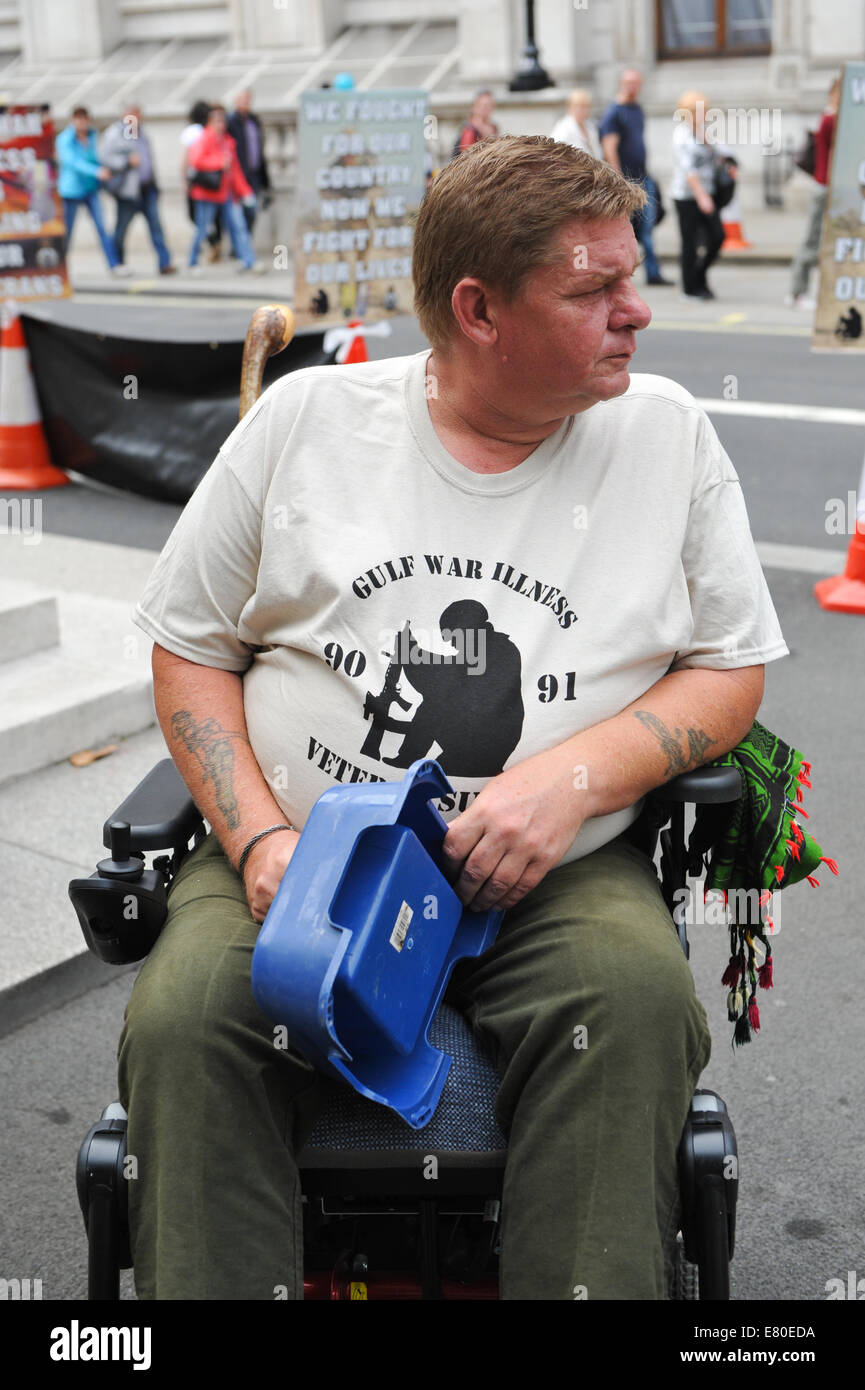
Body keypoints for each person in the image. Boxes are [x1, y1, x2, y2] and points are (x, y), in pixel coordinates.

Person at [121, 134, 787, 1301]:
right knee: (186, 1023)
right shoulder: (308, 422)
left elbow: (728, 672)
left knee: (627, 1005)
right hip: (306, 855)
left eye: (630, 278)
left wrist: (571, 782)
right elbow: (189, 649)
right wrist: (263, 840)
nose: (638, 311)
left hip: (556, 877)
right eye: (594, 291)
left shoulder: (666, 434)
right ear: (478, 309)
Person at [599, 69, 672, 286]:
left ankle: (652, 272)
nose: (633, 87)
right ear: (621, 84)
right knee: (623, 229)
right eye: (629, 83)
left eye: (636, 83)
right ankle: (618, 274)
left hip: (643, 177)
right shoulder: (614, 112)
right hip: (626, 181)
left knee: (647, 227)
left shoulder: (637, 109)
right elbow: (609, 146)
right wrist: (618, 178)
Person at [99, 105, 176, 276]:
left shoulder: (141, 133)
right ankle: (118, 264)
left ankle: (165, 263)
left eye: (138, 114)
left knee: (156, 228)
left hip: (147, 188)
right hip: (128, 191)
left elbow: (148, 158)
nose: (135, 117)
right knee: (121, 229)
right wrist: (127, 161)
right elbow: (105, 157)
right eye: (132, 114)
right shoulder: (116, 133)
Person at [186, 104, 261, 273]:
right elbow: (196, 160)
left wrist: (246, 192)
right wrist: (218, 163)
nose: (221, 124)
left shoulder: (228, 142)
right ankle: (192, 261)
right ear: (210, 122)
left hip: (227, 193)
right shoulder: (205, 138)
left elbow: (235, 171)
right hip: (207, 193)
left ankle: (248, 260)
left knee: (239, 227)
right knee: (202, 229)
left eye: (223, 121)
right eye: (217, 121)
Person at [787, 77, 840, 311]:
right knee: (812, 240)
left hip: (834, 187)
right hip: (824, 187)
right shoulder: (830, 119)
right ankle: (797, 291)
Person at [671, 90, 727, 301]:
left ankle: (700, 276)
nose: (705, 114)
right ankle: (689, 288)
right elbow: (688, 171)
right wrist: (701, 196)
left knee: (717, 237)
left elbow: (721, 153)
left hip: (708, 193)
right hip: (687, 197)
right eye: (700, 111)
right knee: (690, 242)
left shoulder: (702, 132)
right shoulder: (682, 134)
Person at [55, 106, 126, 275]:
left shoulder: (93, 135)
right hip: (71, 191)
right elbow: (73, 162)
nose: (81, 123)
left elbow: (97, 157)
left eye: (84, 119)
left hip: (90, 189)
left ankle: (113, 265)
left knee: (102, 228)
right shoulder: (65, 139)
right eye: (78, 119)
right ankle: (59, 267)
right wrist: (96, 171)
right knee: (67, 232)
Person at [180, 99, 222, 262]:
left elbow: (186, 161)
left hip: (206, 186)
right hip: (206, 186)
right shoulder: (203, 134)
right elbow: (194, 160)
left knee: (202, 223)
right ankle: (197, 257)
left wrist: (184, 180)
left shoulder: (201, 133)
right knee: (203, 224)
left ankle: (204, 253)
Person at [227, 89, 271, 236]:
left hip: (254, 173)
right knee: (241, 213)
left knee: (252, 211)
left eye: (247, 100)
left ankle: (245, 244)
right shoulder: (231, 122)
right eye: (242, 100)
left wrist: (266, 181)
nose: (245, 103)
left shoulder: (254, 121)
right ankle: (240, 246)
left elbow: (259, 151)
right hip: (238, 175)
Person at [551, 89, 601, 159]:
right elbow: (555, 154)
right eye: (580, 107)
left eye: (587, 107)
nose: (584, 111)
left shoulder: (591, 126)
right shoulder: (563, 128)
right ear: (570, 108)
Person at [452, 90, 499, 157]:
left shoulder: (493, 127)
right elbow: (466, 156)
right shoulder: (469, 129)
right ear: (475, 106)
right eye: (481, 105)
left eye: (488, 105)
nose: (484, 108)